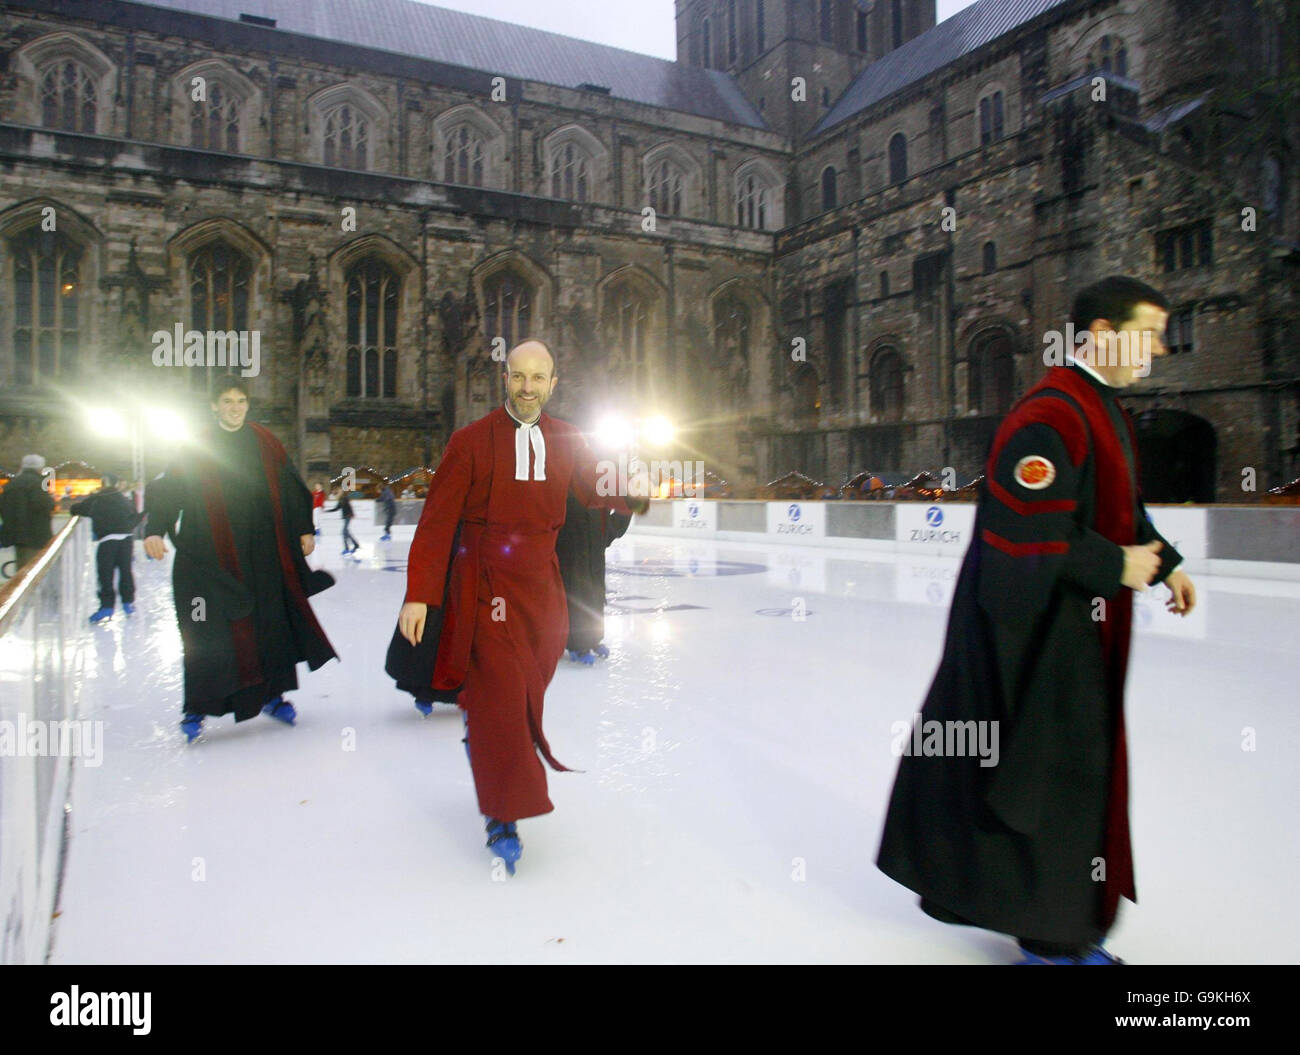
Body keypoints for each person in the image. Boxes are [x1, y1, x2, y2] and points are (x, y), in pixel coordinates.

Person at [876, 276, 1197, 965]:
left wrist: (1164, 561)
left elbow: (1118, 507)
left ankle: (1068, 924)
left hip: (1082, 630)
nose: (1160, 349)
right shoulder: (1048, 416)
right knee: (1052, 783)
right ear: (1104, 334)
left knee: (1074, 777)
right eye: (1150, 333)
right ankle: (1053, 940)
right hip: (1041, 637)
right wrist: (1115, 566)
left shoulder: (1100, 408)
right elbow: (1026, 534)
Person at [394, 340, 649, 873]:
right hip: (485, 589)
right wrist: (419, 593)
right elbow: (437, 522)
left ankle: (485, 739)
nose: (528, 387)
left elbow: (595, 487)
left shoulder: (569, 440)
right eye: (518, 376)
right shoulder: (469, 442)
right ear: (504, 379)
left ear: (553, 384)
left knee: (523, 688)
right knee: (501, 698)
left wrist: (635, 488)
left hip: (543, 592)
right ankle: (502, 817)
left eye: (539, 378)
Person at [143, 375, 336, 742]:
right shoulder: (196, 445)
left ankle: (272, 695)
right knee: (206, 631)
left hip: (262, 552)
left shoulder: (265, 442)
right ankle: (197, 707)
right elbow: (168, 490)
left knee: (268, 625)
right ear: (215, 405)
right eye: (227, 401)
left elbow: (291, 486)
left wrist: (303, 528)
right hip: (208, 557)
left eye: (240, 401)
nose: (235, 408)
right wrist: (155, 529)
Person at [555, 488, 632, 663]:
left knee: (596, 595)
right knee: (577, 597)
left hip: (594, 549)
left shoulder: (599, 493)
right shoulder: (568, 490)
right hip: (572, 551)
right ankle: (577, 644)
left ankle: (594, 639)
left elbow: (611, 530)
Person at [71, 473, 142, 622]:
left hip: (108, 540)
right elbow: (135, 516)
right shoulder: (124, 499)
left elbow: (75, 509)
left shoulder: (97, 498)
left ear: (102, 484)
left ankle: (106, 607)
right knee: (126, 572)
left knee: (105, 574)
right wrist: (126, 527)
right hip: (126, 540)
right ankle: (128, 603)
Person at [0, 454, 54, 573]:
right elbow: (44, 505)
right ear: (40, 467)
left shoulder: (11, 484)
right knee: (34, 572)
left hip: (17, 536)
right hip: (36, 537)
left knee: (21, 573)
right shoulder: (37, 483)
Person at [326, 488, 359, 555]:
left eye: (340, 491)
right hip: (346, 517)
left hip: (348, 516)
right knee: (346, 532)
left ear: (342, 492)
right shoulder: (340, 500)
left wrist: (352, 514)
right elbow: (336, 508)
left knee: (344, 532)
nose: (339, 492)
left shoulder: (345, 498)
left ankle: (347, 548)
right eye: (338, 491)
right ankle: (356, 544)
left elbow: (349, 507)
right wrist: (327, 511)